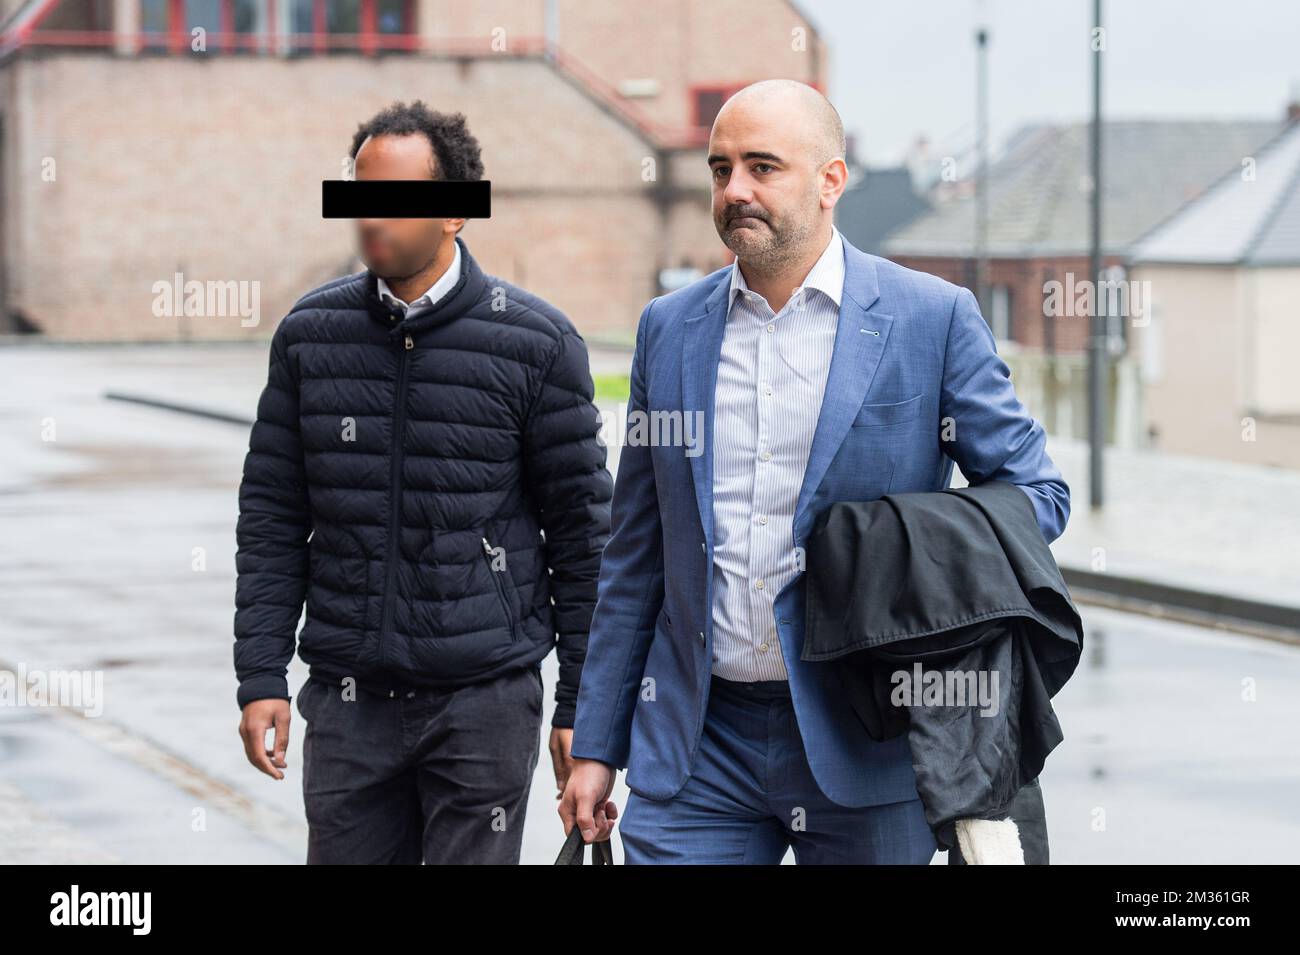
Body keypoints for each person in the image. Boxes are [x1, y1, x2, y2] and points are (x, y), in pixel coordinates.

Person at [558, 80, 1070, 864]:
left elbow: (1039, 495)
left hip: (865, 736)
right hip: (697, 747)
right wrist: (597, 742)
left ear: (831, 180)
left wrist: (902, 542)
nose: (735, 190)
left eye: (763, 167)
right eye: (721, 167)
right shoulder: (669, 329)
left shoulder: (930, 318)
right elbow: (635, 554)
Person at [235, 101, 612, 864]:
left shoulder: (535, 343)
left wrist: (582, 705)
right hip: (348, 705)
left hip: (484, 705)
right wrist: (260, 673)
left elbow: (583, 538)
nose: (372, 220)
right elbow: (272, 514)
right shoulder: (311, 335)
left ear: (455, 213)